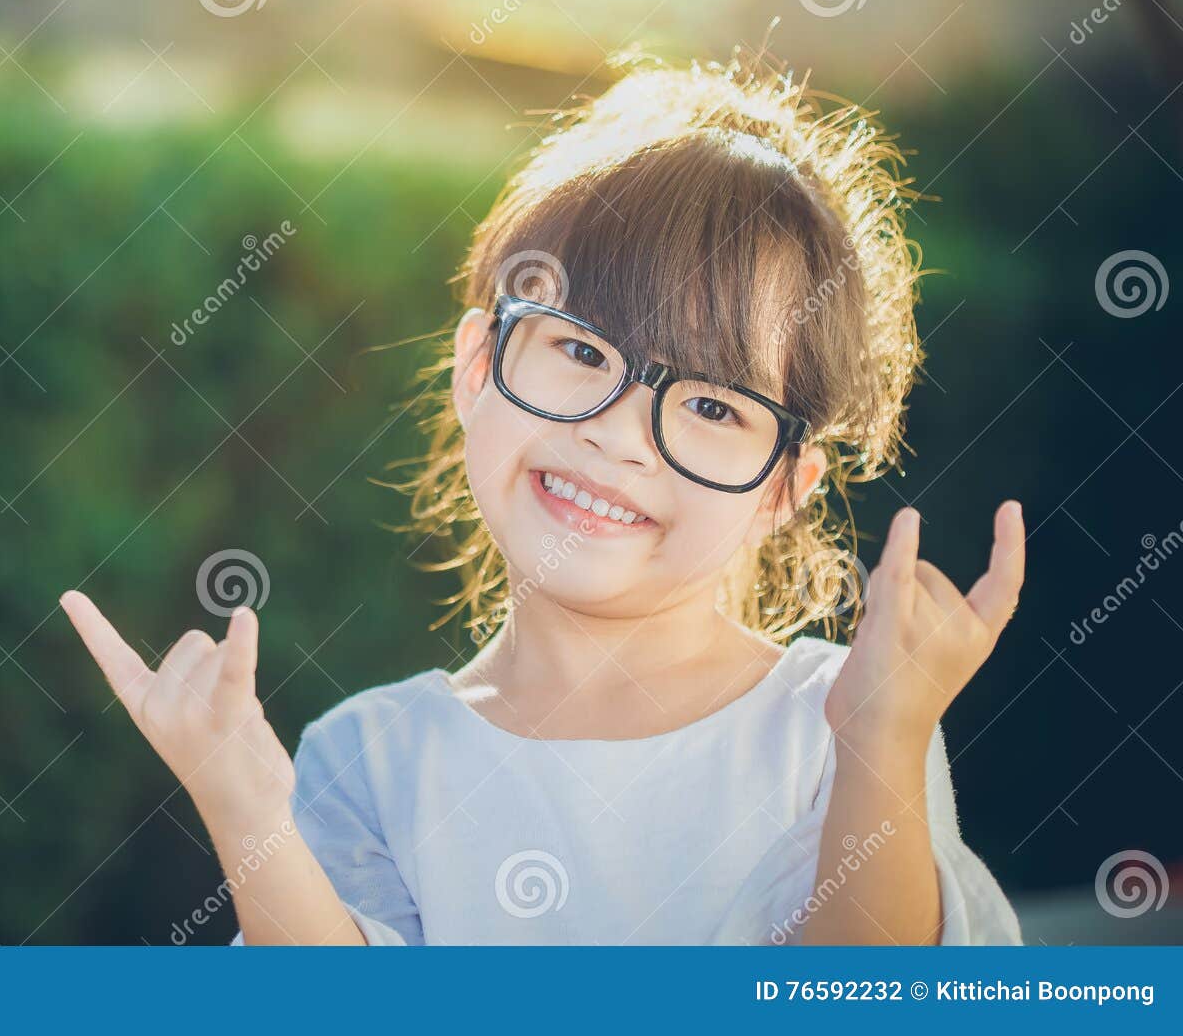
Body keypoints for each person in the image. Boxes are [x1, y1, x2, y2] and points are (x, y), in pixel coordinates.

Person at [60, 47, 1025, 945]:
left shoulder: (840, 722)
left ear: (784, 487)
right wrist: (242, 806)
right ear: (479, 365)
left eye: (711, 405)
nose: (620, 435)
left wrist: (881, 743)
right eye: (581, 350)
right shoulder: (373, 758)